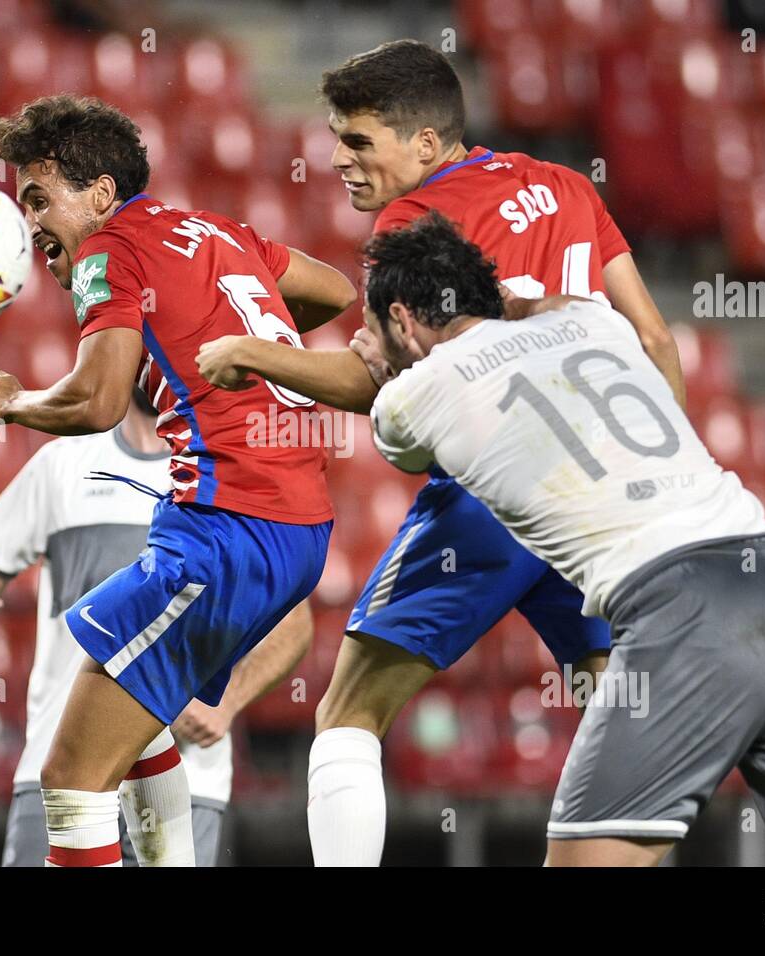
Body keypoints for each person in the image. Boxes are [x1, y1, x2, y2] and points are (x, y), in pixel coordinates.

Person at [196, 39, 680, 865]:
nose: (337, 159)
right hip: (602, 502)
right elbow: (654, 338)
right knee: (624, 718)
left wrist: (249, 353)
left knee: (347, 714)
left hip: (495, 491)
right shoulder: (563, 183)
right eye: (336, 138)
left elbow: (367, 378)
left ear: (425, 144)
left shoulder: (414, 222)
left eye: (357, 142)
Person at [359, 210, 765, 867]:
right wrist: (521, 304)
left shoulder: (414, 392)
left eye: (374, 330)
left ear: (400, 319)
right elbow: (560, 310)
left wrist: (382, 368)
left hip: (687, 607)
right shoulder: (594, 321)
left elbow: (407, 439)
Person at [0, 94, 354, 865]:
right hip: (286, 523)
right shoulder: (218, 232)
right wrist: (233, 335)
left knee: (68, 778)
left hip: (228, 527)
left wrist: (12, 402)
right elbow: (335, 289)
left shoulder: (111, 250)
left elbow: (98, 401)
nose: (29, 221)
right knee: (134, 726)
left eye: (39, 197)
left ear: (100, 195)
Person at [0, 389, 314, 866]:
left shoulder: (231, 479)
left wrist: (227, 703)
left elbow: (294, 621)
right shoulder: (60, 466)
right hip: (57, 763)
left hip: (187, 777)